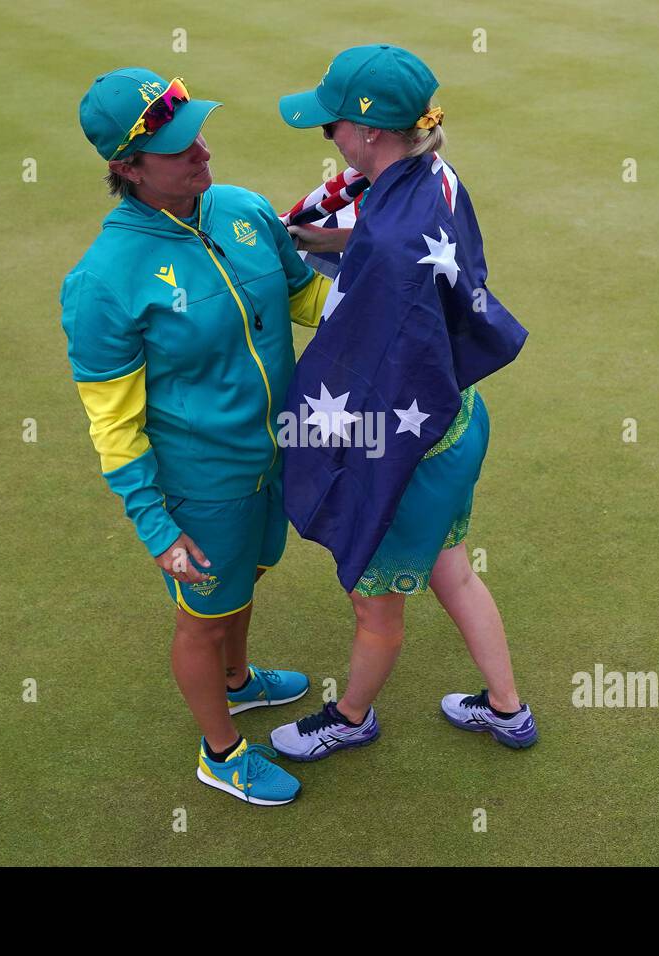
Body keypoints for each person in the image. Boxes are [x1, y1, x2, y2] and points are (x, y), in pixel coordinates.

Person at [60, 68, 333, 804]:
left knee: (246, 582)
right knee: (202, 619)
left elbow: (305, 295)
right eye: (179, 149)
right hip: (200, 484)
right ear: (128, 169)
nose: (203, 151)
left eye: (199, 133)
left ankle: (239, 683)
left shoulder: (241, 208)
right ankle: (220, 752)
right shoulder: (105, 280)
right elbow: (112, 423)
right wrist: (156, 525)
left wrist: (382, 291)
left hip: (274, 454)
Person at [268, 45, 539, 762]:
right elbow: (386, 240)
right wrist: (316, 238)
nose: (329, 140)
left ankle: (352, 716)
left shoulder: (391, 236)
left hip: (409, 456)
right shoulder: (434, 173)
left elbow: (358, 363)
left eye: (332, 128)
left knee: (375, 605)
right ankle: (507, 710)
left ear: (370, 133)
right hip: (458, 426)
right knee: (454, 570)